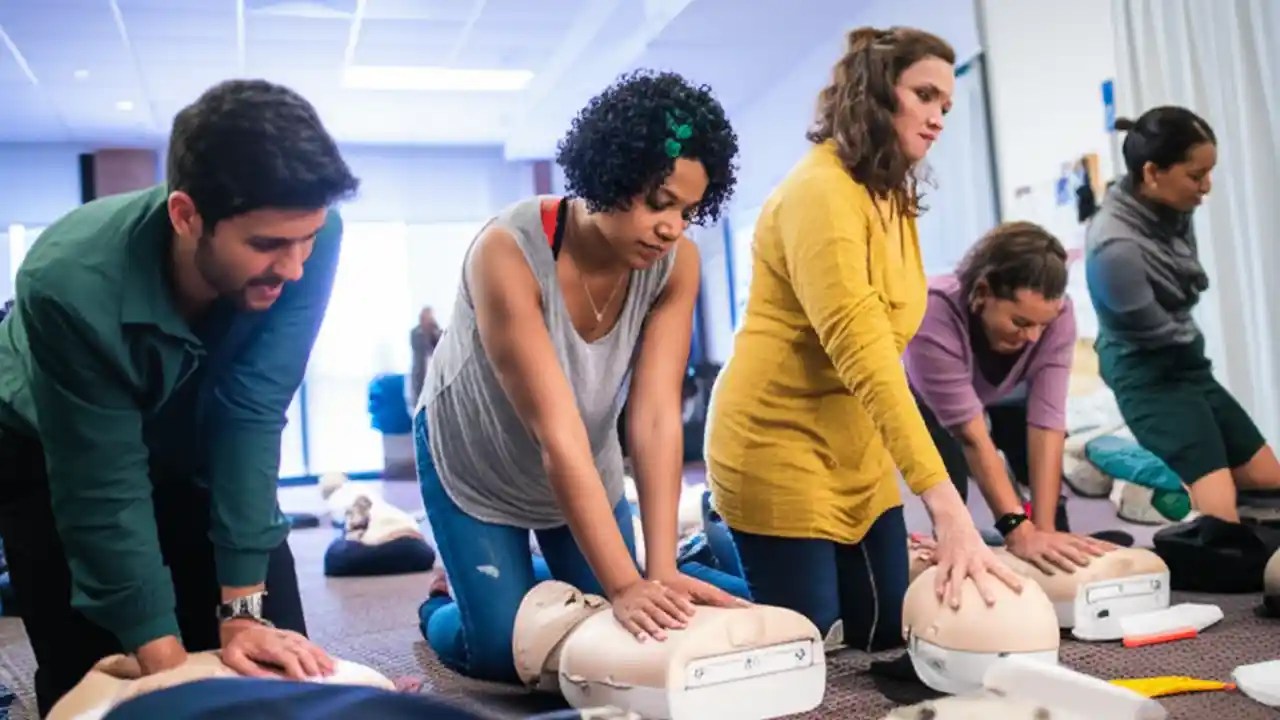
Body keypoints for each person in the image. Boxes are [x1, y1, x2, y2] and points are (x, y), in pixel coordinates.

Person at [0, 79, 359, 715]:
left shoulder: (308, 237)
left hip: (197, 435)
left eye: (305, 239)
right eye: (267, 245)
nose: (295, 267)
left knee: (277, 673)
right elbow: (102, 483)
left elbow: (252, 410)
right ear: (186, 216)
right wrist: (168, 673)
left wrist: (243, 615)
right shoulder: (65, 283)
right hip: (53, 447)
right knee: (111, 693)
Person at [412, 69, 745, 683]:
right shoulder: (506, 252)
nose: (673, 226)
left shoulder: (676, 264)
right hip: (476, 462)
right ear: (609, 176)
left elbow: (651, 418)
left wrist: (661, 569)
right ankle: (444, 596)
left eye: (689, 210)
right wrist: (623, 581)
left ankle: (531, 575)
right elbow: (554, 434)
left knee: (623, 625)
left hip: (583, 462)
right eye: (659, 201)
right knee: (506, 654)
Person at [704, 25, 1023, 653]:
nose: (937, 118)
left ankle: (753, 552)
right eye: (924, 95)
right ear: (876, 93)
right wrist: (950, 510)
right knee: (810, 636)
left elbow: (890, 345)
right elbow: (866, 356)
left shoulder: (892, 195)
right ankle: (683, 558)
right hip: (775, 440)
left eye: (946, 106)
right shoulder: (818, 193)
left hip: (854, 451)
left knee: (882, 628)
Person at [1085, 106, 1280, 522]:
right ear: (1153, 172)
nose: (1206, 187)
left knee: (1269, 478)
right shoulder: (1115, 250)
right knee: (1220, 513)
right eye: (1196, 176)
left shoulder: (1171, 208)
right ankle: (1139, 473)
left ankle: (1178, 472)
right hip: (1146, 375)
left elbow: (1181, 320)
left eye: (1209, 173)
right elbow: (1161, 335)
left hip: (1186, 363)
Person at [904, 222, 1111, 574]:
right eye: (1020, 322)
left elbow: (1047, 421)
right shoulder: (932, 313)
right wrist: (1015, 529)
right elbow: (972, 435)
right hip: (928, 404)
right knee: (950, 480)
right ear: (983, 292)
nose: (1033, 337)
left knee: (1046, 521)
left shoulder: (1056, 315)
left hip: (1007, 395)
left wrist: (1043, 533)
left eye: (1041, 326)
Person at [405, 306, 442, 413]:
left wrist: (434, 330)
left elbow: (439, 345)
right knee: (417, 400)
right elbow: (421, 347)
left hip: (433, 373)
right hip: (419, 373)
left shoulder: (436, 332)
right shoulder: (415, 333)